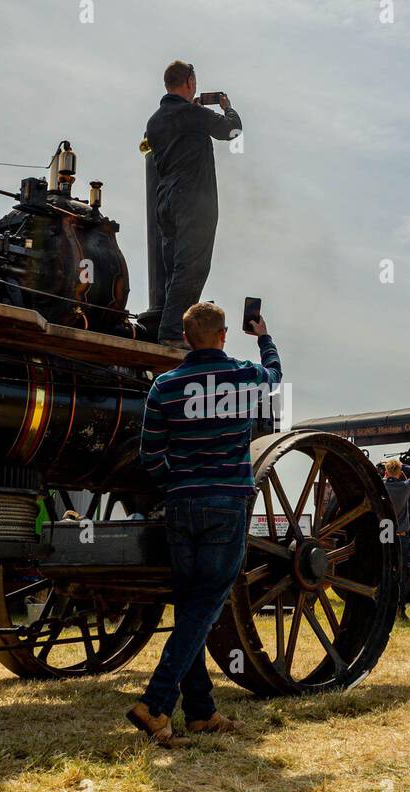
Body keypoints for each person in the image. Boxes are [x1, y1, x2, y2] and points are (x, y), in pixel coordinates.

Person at [129, 301, 281, 747]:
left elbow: (150, 455)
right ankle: (155, 704)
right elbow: (275, 378)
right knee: (206, 603)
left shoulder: (165, 385)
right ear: (223, 336)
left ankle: (200, 712)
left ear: (185, 337)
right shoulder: (242, 376)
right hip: (227, 502)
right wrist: (265, 338)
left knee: (190, 604)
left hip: (181, 504)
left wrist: (176, 483)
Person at [144, 61, 242, 349]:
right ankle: (173, 333)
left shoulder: (154, 121)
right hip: (193, 201)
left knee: (174, 270)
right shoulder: (192, 113)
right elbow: (232, 131)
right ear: (189, 83)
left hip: (165, 202)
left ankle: (172, 327)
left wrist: (196, 112)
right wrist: (227, 107)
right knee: (191, 268)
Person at [382, 459, 410, 620]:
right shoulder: (405, 487)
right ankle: (401, 609)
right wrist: (402, 466)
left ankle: (384, 608)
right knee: (400, 574)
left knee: (385, 572)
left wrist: (385, 470)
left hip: (385, 533)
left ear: (386, 472)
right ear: (399, 473)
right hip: (401, 535)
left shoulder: (382, 487)